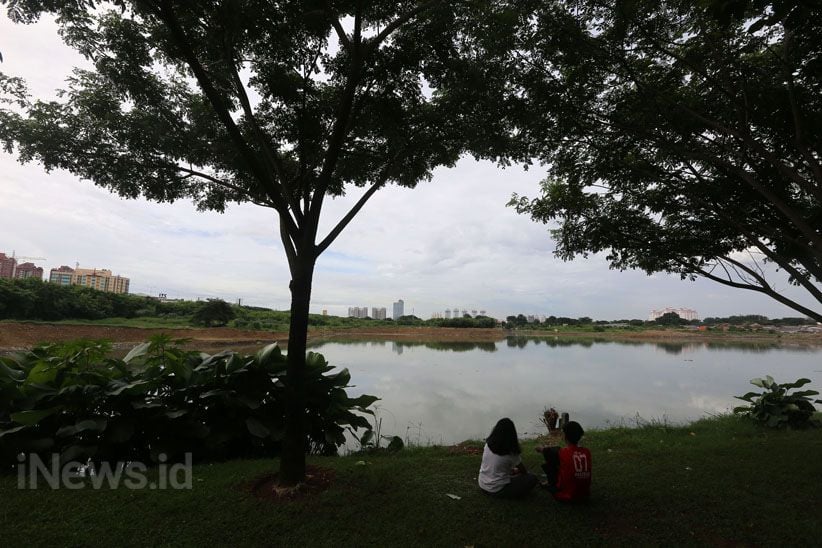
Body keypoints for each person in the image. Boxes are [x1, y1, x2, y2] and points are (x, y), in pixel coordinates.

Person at [478, 418, 538, 498]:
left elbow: (496, 465)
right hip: (497, 490)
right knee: (532, 478)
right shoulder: (511, 452)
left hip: (482, 484)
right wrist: (517, 471)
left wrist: (512, 471)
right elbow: (524, 471)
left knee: (513, 473)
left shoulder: (488, 444)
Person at [536, 420, 591, 502]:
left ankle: (550, 484)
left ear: (565, 436)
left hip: (565, 496)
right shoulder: (587, 452)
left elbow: (547, 451)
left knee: (549, 462)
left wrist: (541, 449)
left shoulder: (562, 452)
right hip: (584, 494)